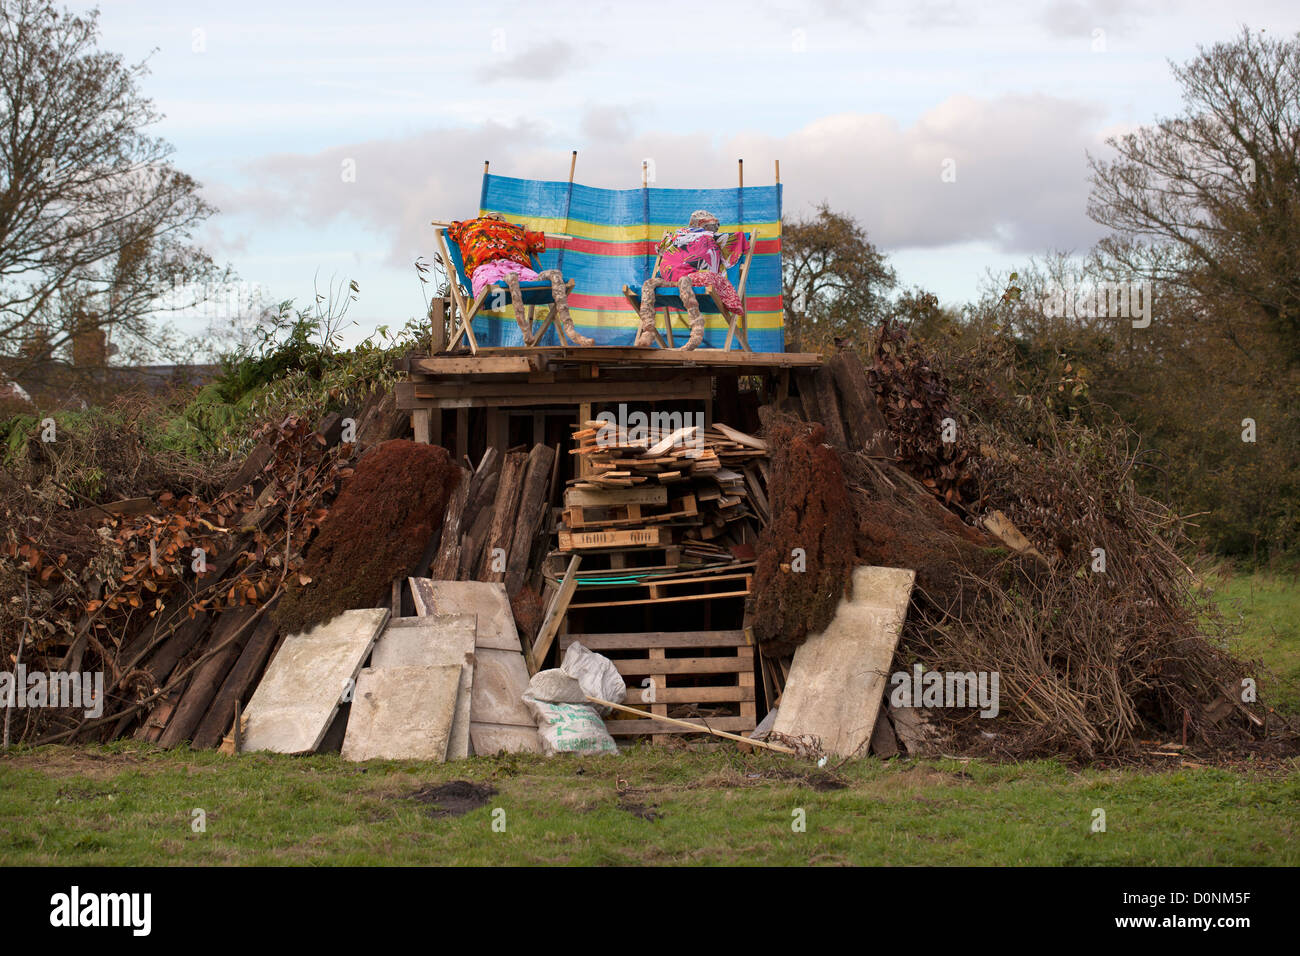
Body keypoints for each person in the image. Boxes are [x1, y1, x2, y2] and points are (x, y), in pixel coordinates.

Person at [448, 213, 594, 346]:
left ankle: (571, 331)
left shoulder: (510, 232)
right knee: (511, 280)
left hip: (519, 270)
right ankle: (526, 333)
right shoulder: (472, 227)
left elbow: (453, 229)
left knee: (554, 275)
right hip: (489, 270)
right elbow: (453, 229)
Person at [633, 210, 749, 350]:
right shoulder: (678, 234)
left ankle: (696, 334)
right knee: (649, 283)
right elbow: (662, 250)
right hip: (672, 281)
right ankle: (648, 330)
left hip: (690, 278)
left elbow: (738, 240)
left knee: (684, 281)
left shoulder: (712, 236)